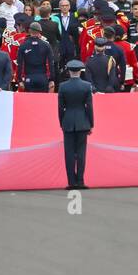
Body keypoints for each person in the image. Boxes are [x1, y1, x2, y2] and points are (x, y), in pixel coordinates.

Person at [57, 59, 94, 190]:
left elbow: (60, 108)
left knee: (69, 153)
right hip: (83, 121)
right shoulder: (86, 86)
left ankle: (71, 182)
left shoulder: (63, 86)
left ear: (69, 71)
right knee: (81, 153)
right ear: (80, 71)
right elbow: (89, 107)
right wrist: (91, 123)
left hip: (68, 121)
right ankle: (81, 181)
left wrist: (61, 122)